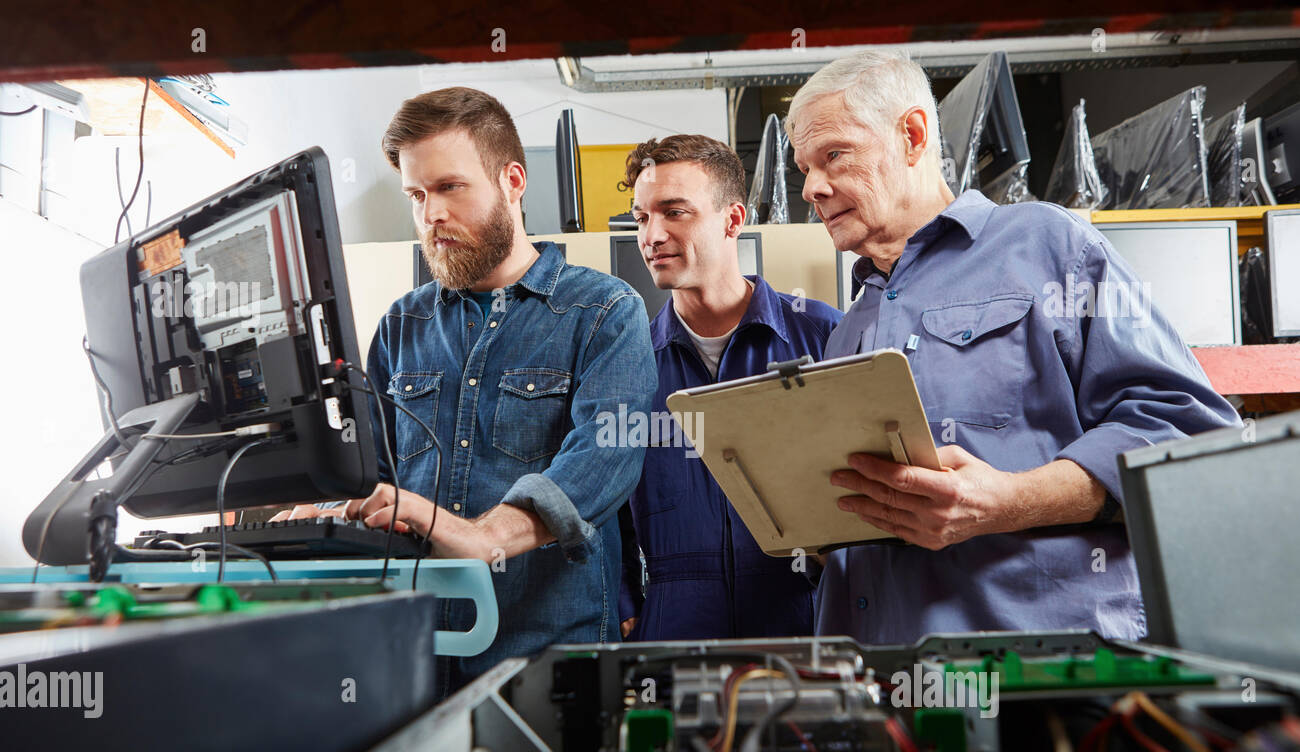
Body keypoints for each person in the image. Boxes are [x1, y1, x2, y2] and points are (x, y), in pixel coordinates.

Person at [784, 50, 1241, 643]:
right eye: (803, 169)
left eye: (834, 156)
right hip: (876, 679)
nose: (812, 188)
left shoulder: (1049, 246)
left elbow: (1187, 438)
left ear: (912, 135)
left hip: (1036, 672)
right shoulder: (850, 325)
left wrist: (1007, 501)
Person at [283, 88, 657, 694]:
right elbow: (372, 475)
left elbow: (603, 462)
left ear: (512, 180)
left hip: (547, 660)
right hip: (415, 655)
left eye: (450, 187)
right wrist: (325, 510)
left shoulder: (605, 311)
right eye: (416, 195)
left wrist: (484, 537)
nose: (430, 214)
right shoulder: (403, 326)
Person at [617, 135, 840, 642]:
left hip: (807, 626)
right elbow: (609, 515)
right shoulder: (628, 363)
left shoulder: (825, 336)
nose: (652, 235)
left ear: (732, 220)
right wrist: (629, 607)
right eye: (641, 217)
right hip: (673, 634)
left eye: (674, 212)